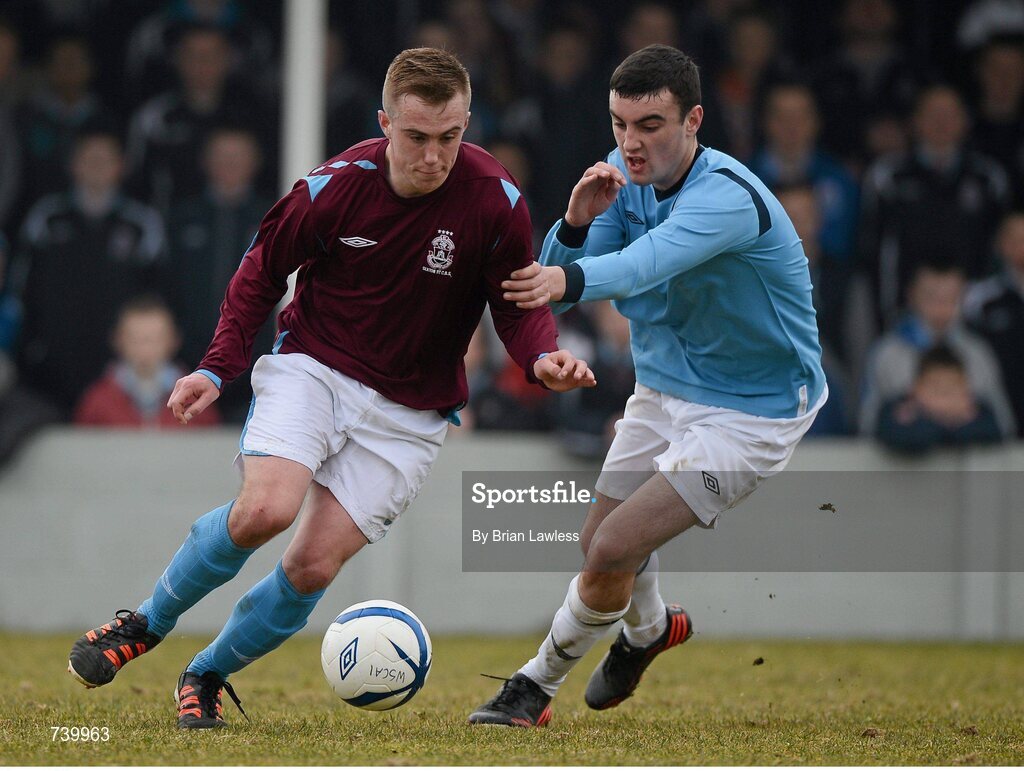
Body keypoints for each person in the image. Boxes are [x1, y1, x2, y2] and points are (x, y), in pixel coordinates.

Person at [67, 48, 595, 730]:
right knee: (265, 510)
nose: (433, 155)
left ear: (467, 123)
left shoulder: (497, 199)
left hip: (411, 410)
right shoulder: (334, 186)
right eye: (416, 137)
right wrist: (215, 366)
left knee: (312, 566)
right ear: (385, 124)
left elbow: (518, 304)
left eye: (450, 137)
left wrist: (542, 356)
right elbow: (259, 272)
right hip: (315, 367)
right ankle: (143, 622)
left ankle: (206, 673)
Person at [467, 44, 826, 727]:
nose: (632, 142)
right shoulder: (621, 184)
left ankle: (531, 688)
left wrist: (566, 273)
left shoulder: (728, 196)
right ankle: (651, 629)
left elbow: (642, 264)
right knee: (601, 544)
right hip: (663, 389)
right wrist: (573, 223)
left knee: (609, 550)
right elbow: (562, 289)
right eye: (620, 123)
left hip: (753, 411)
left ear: (693, 120)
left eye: (651, 124)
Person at [858, 262, 1015, 438]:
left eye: (951, 298)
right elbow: (868, 425)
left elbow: (1003, 423)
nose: (941, 308)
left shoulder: (978, 352)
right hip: (901, 463)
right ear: (911, 295)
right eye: (931, 297)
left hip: (970, 462)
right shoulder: (887, 353)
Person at [74, 295, 221, 429]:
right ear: (118, 340)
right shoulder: (97, 401)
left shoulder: (197, 398)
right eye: (135, 339)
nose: (145, 348)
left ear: (174, 341)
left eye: (154, 339)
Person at [875, 343, 1004, 454]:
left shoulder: (981, 409)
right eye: (936, 388)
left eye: (951, 388)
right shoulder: (894, 408)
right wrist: (948, 419)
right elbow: (902, 438)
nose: (944, 398)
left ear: (966, 388)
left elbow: (992, 434)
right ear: (915, 387)